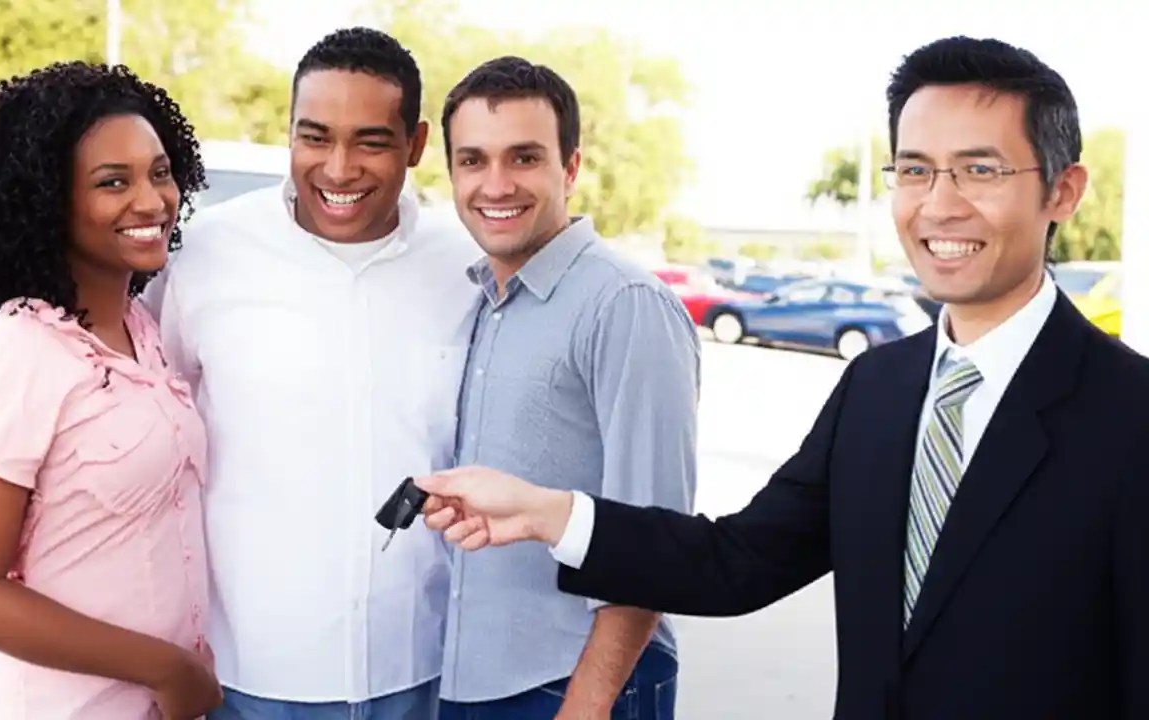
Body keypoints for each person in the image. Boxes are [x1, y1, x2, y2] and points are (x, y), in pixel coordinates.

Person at [418, 36, 1149, 719]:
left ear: (1063, 191)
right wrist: (549, 513)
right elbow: (736, 563)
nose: (939, 203)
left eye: (980, 169)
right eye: (917, 169)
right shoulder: (877, 389)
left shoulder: (1130, 417)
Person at [140, 28, 483, 719]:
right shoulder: (206, 254)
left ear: (415, 146)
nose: (338, 167)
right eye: (315, 137)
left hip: (420, 670)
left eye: (371, 142)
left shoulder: (467, 265)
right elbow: (136, 414)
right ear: (289, 133)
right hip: (247, 674)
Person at [0, 61, 222, 719]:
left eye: (160, 172)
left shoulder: (142, 329)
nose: (151, 201)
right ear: (45, 202)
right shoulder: (20, 351)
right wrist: (167, 669)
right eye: (113, 183)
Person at [430, 57, 700, 720]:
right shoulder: (478, 300)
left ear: (570, 168)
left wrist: (588, 701)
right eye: (473, 160)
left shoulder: (625, 305)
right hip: (468, 682)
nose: (495, 184)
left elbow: (656, 536)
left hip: (575, 684)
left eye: (524, 158)